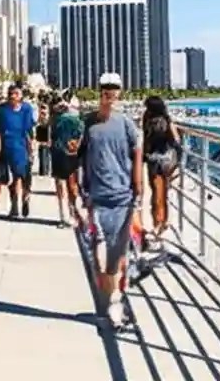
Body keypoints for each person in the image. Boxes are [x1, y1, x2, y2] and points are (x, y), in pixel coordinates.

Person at [80, 73, 144, 328]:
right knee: (99, 251)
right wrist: (79, 192)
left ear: (120, 92)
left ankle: (114, 300)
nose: (109, 92)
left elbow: (137, 153)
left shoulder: (127, 124)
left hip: (122, 197)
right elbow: (79, 156)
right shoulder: (88, 123)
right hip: (96, 196)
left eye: (114, 88)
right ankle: (111, 299)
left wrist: (138, 185)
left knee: (116, 256)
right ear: (100, 91)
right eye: (105, 88)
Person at [0, 85, 36, 219]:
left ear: (21, 96)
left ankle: (19, 203)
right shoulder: (2, 110)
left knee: (19, 178)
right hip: (4, 147)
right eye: (10, 93)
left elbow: (29, 132)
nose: (12, 96)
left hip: (20, 148)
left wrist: (31, 150)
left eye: (16, 93)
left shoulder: (26, 109)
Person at [142, 96, 182, 246]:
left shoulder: (148, 118)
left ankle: (158, 224)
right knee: (162, 193)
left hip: (155, 159)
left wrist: (143, 157)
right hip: (166, 159)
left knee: (157, 193)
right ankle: (162, 222)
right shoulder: (166, 119)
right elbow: (176, 141)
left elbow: (146, 139)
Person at [50, 99, 86, 228]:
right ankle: (68, 214)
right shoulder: (61, 119)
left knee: (66, 186)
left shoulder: (65, 119)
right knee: (69, 186)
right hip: (64, 154)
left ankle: (67, 215)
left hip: (64, 154)